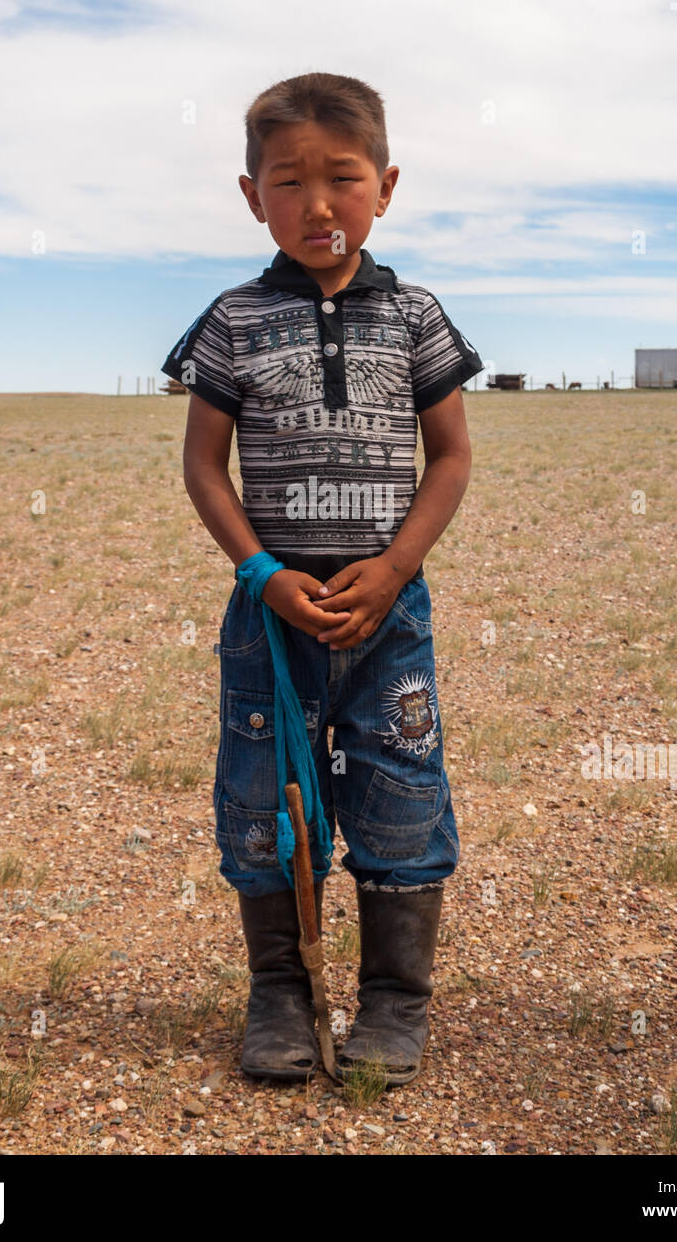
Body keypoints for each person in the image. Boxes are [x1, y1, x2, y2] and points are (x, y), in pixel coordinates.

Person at [161, 71, 483, 1087]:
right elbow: (203, 464)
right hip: (271, 611)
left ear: (382, 188)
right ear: (251, 195)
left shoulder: (417, 317)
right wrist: (259, 570)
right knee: (266, 801)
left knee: (398, 789)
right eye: (287, 182)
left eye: (340, 179)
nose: (316, 204)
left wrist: (394, 568)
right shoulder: (232, 320)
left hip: (386, 612)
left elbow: (451, 458)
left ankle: (393, 1002)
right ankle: (280, 995)